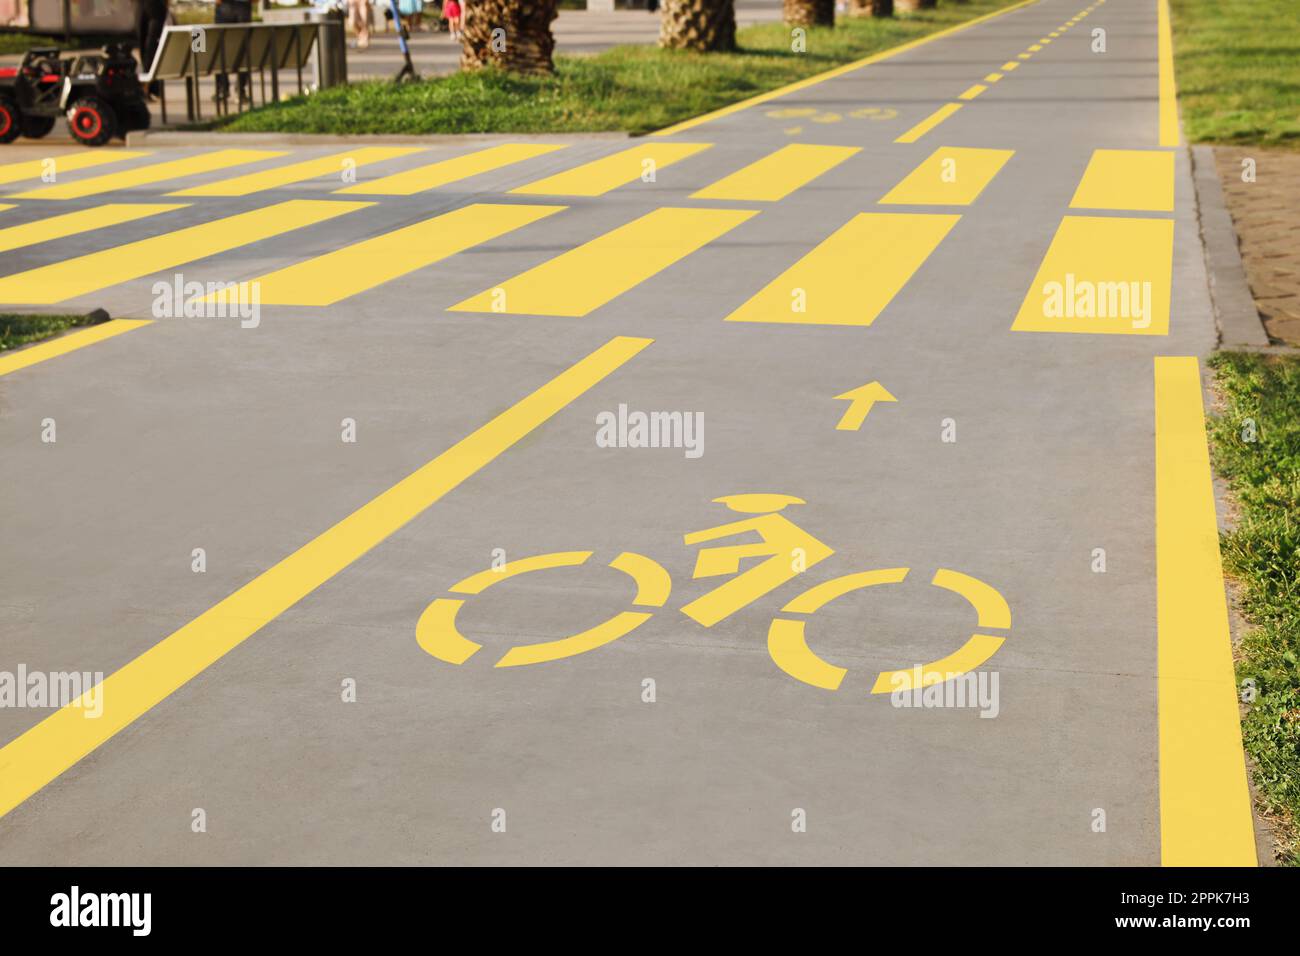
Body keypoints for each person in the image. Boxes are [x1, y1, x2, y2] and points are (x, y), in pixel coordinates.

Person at [214, 0, 253, 106]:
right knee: (242, 50)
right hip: (240, 6)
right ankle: (239, 91)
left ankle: (223, 89)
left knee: (221, 49)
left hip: (227, 7)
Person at [137, 0, 168, 98]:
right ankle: (152, 87)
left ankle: (149, 86)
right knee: (143, 46)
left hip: (156, 6)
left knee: (151, 47)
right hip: (141, 5)